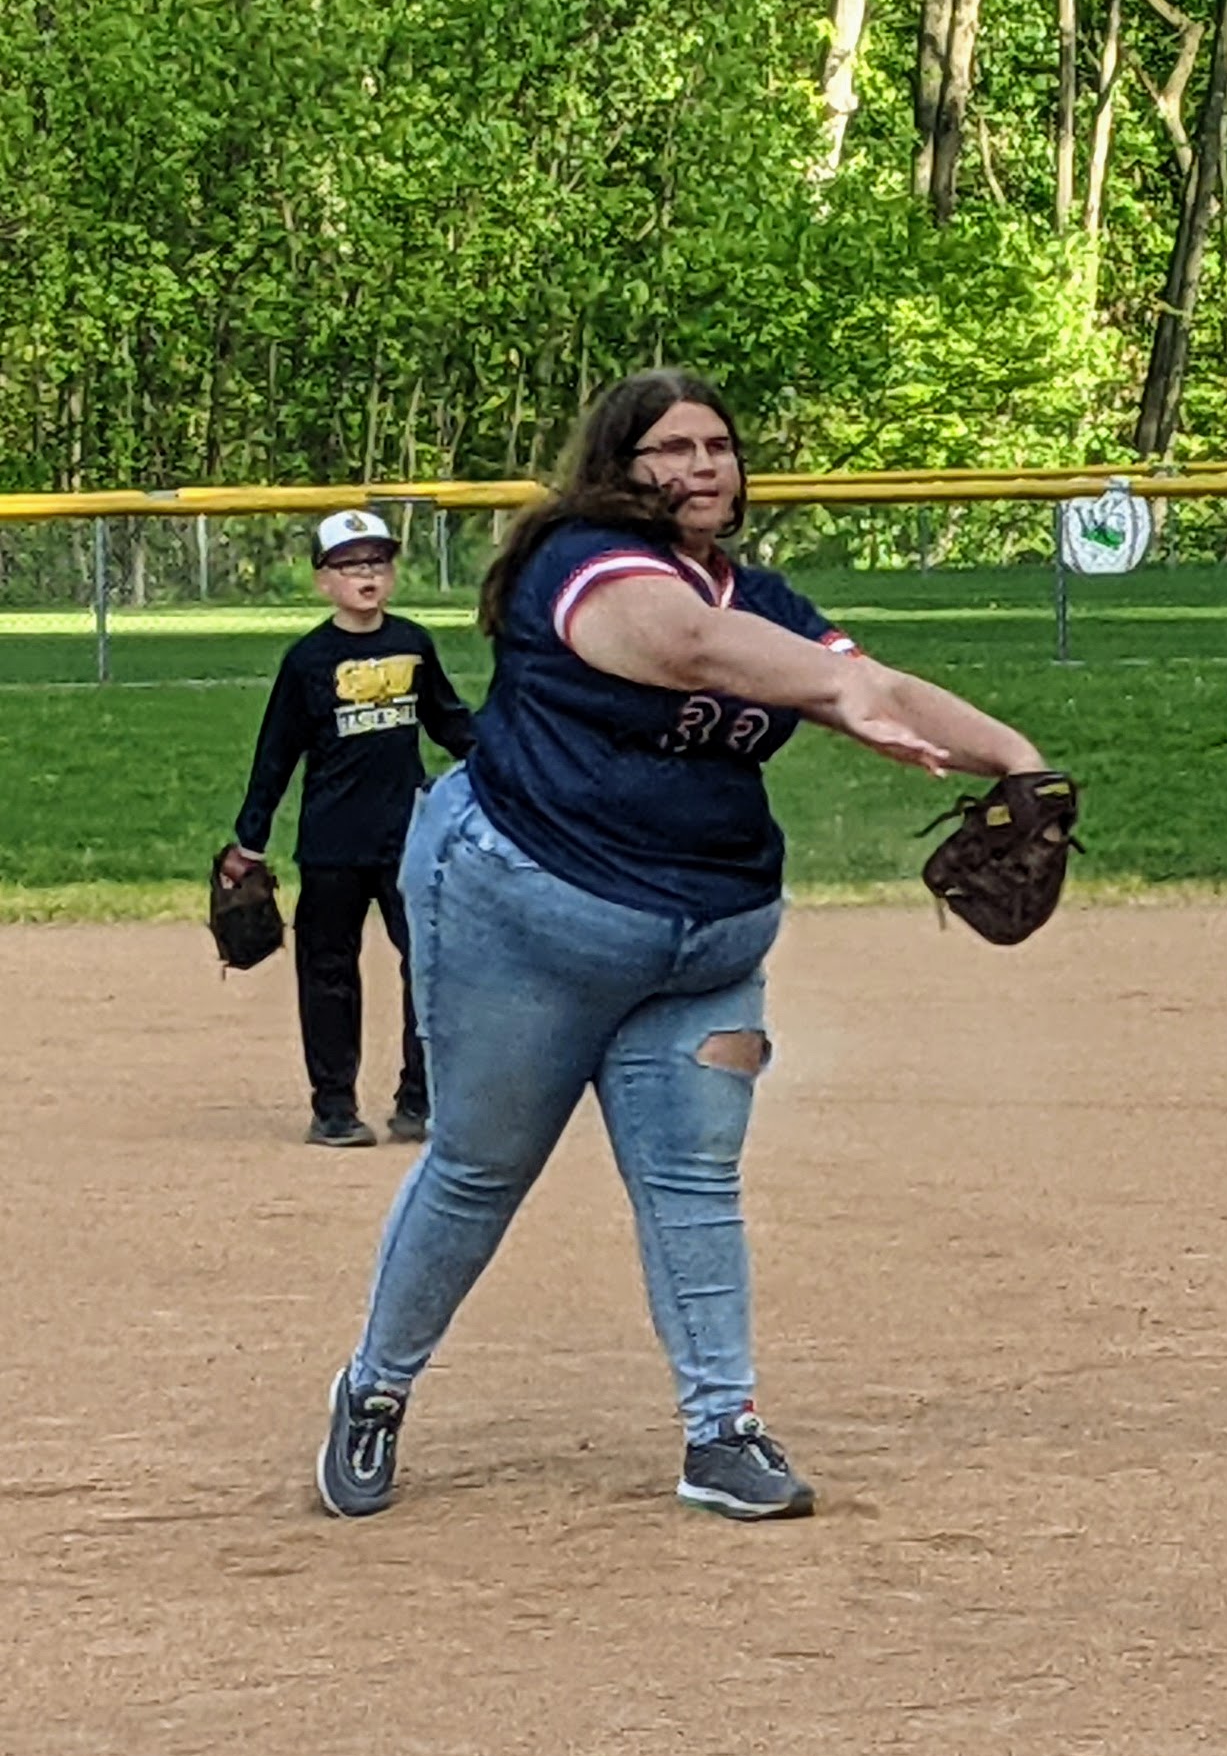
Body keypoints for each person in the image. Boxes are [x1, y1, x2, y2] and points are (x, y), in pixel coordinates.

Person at [315, 370, 1050, 1524]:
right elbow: (689, 650)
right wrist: (834, 690)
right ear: (618, 467)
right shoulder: (582, 565)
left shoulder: (767, 603)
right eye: (670, 448)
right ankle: (375, 1388)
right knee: (479, 1168)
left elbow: (878, 684)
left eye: (718, 446)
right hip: (527, 918)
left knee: (693, 1182)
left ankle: (722, 1430)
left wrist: (1021, 762)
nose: (701, 466)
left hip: (707, 944)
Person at [223, 508, 473, 1145]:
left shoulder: (413, 643)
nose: (367, 574)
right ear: (323, 581)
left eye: (378, 562)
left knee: (429, 965)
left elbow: (450, 723)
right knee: (329, 972)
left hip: (406, 839)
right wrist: (249, 842)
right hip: (332, 843)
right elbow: (275, 754)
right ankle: (333, 1106)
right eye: (350, 564)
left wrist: (508, 760)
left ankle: (418, 1100)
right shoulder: (309, 659)